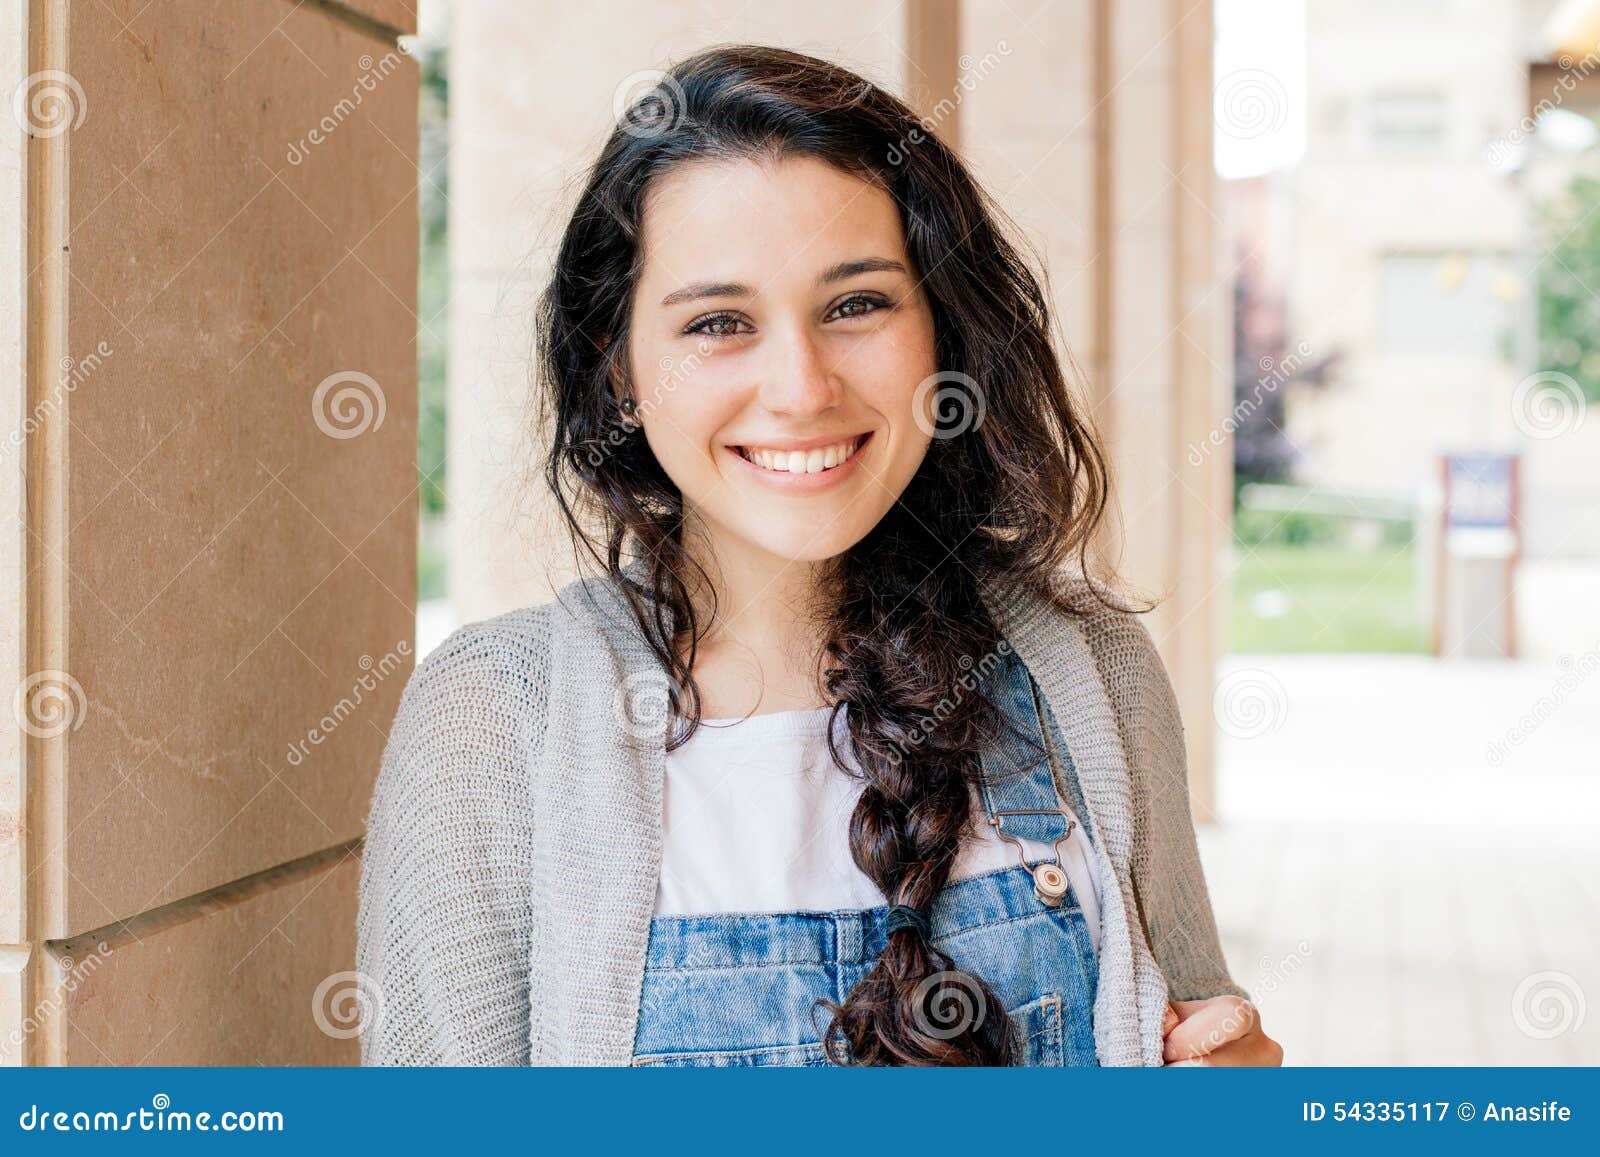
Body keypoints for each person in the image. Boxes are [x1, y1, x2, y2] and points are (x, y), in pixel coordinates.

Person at [356, 43, 1282, 1068]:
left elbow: (1204, 1032)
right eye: (718, 322)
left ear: (942, 330)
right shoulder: (493, 719)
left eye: (855, 305)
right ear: (619, 373)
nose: (801, 388)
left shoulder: (1091, 671)